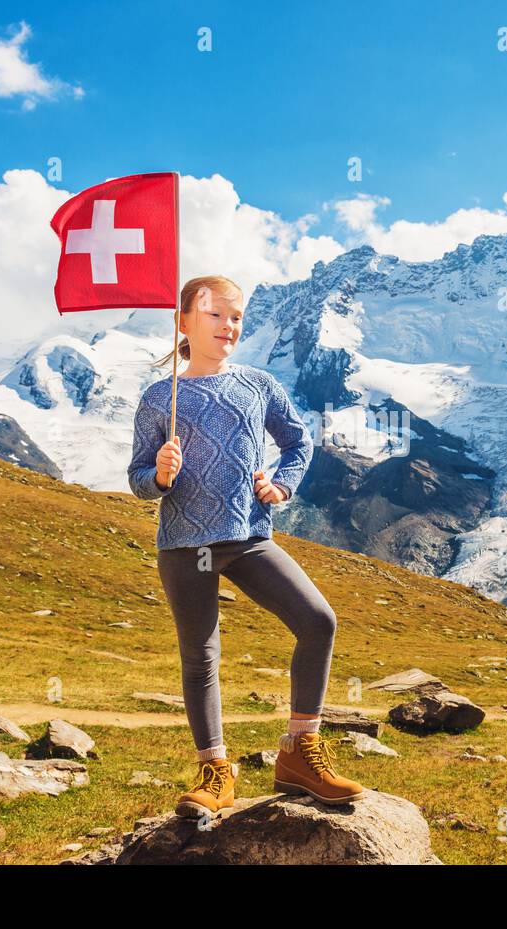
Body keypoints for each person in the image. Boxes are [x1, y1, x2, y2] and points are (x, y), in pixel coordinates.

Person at [127, 274, 364, 819]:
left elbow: (298, 441)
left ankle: (300, 751)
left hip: (249, 538)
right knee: (201, 655)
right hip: (185, 545)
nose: (228, 325)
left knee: (318, 621)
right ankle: (214, 770)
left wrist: (282, 485)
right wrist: (159, 475)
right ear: (184, 322)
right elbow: (137, 477)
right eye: (214, 315)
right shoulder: (160, 396)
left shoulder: (258, 384)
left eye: (236, 317)